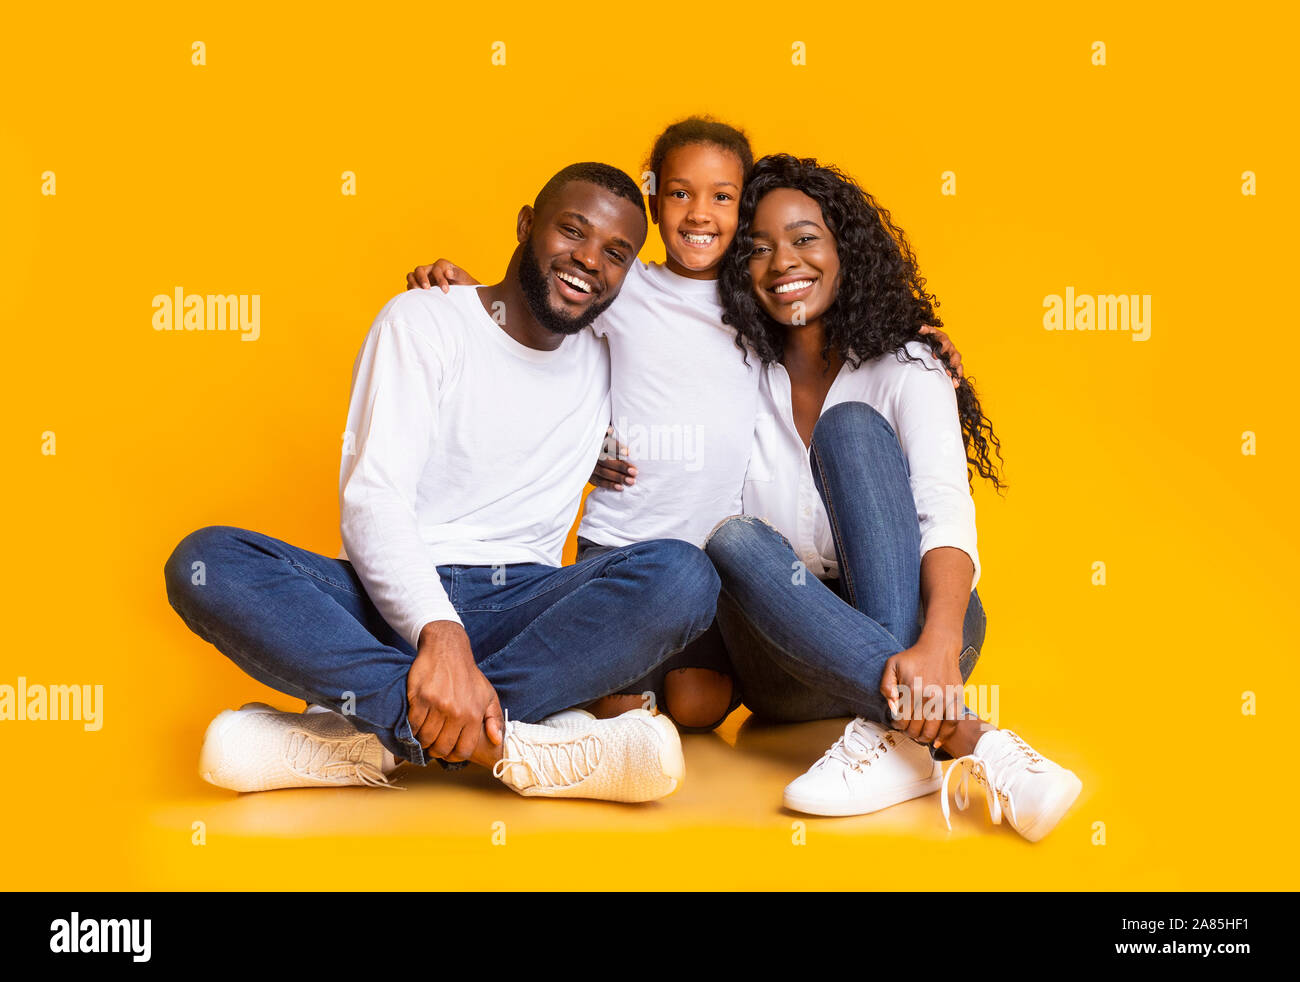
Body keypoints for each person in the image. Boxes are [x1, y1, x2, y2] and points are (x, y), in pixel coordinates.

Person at [164, 162, 721, 803]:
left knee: (685, 576)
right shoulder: (424, 322)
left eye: (616, 254)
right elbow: (375, 499)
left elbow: (698, 354)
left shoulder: (609, 354)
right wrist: (439, 630)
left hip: (524, 607)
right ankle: (512, 746)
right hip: (387, 604)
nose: (590, 260)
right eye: (573, 232)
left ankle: (373, 737)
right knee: (207, 560)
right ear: (525, 226)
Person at [407, 117, 967, 732]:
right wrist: (472, 297)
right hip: (648, 557)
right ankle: (929, 722)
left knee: (703, 702)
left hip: (771, 587)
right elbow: (545, 321)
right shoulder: (633, 291)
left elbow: (827, 319)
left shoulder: (771, 316)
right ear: (654, 202)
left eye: (723, 198)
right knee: (653, 697)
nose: (700, 214)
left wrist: (908, 336)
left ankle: (894, 719)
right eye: (680, 194)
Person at [705, 153, 1082, 841]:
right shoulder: (729, 366)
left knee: (850, 430)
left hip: (926, 630)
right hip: (786, 650)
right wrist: (467, 294)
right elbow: (625, 317)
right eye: (758, 248)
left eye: (804, 238)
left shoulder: (908, 364)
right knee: (731, 540)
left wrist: (938, 642)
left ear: (844, 248)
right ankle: (969, 740)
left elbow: (946, 509)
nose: (782, 261)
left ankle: (893, 741)